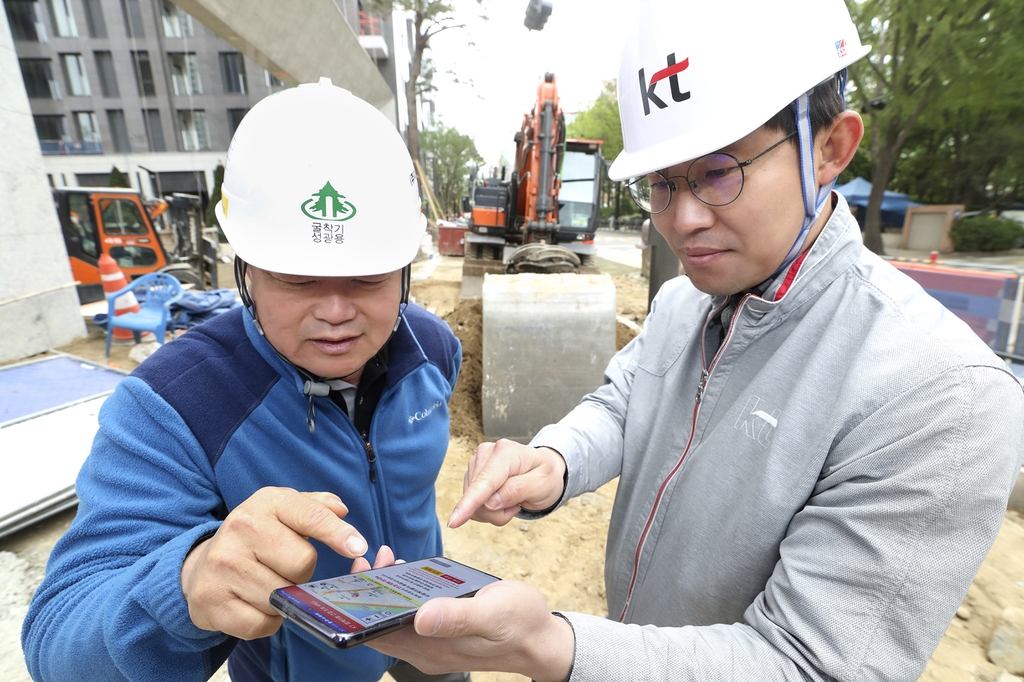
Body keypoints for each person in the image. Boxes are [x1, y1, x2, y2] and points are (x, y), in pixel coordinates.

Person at [366, 1, 1024, 680]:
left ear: (830, 147)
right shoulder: (686, 302)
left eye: (718, 173)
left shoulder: (942, 397)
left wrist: (551, 647)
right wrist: (555, 461)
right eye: (661, 182)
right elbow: (627, 402)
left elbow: (809, 665)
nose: (681, 220)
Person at [22, 79, 466, 682]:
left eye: (368, 278)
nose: (336, 312)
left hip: (429, 625)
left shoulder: (431, 348)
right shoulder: (175, 406)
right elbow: (58, 642)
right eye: (297, 278)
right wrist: (186, 584)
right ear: (246, 269)